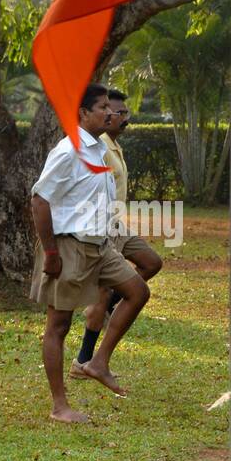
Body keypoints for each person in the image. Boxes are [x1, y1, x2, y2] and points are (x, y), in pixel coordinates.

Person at [30, 84, 151, 423]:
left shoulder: (98, 149)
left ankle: (97, 363)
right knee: (58, 325)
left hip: (101, 245)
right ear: (82, 113)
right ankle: (60, 406)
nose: (111, 113)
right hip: (70, 246)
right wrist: (51, 252)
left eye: (110, 108)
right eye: (102, 108)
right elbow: (39, 200)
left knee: (137, 291)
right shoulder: (69, 150)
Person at [72, 88, 162, 380]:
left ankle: (113, 299)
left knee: (152, 262)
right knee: (100, 297)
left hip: (115, 223)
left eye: (124, 113)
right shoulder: (98, 147)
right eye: (115, 112)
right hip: (101, 227)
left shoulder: (112, 145)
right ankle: (83, 361)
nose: (122, 118)